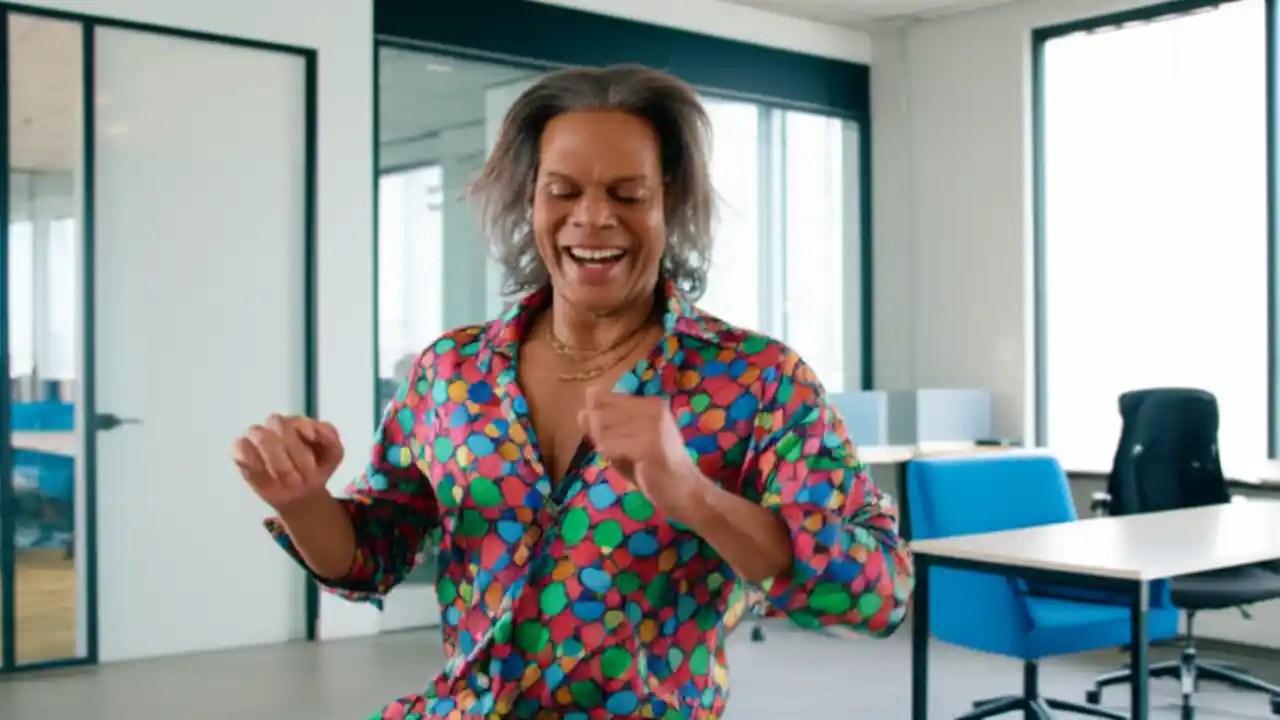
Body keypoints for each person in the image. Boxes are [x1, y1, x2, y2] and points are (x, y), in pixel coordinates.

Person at [232, 64, 914, 720]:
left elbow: (877, 595)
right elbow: (370, 559)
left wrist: (697, 499)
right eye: (563, 191)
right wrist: (302, 499)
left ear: (668, 202)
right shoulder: (451, 372)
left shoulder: (754, 380)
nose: (592, 219)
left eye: (627, 194)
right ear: (529, 197)